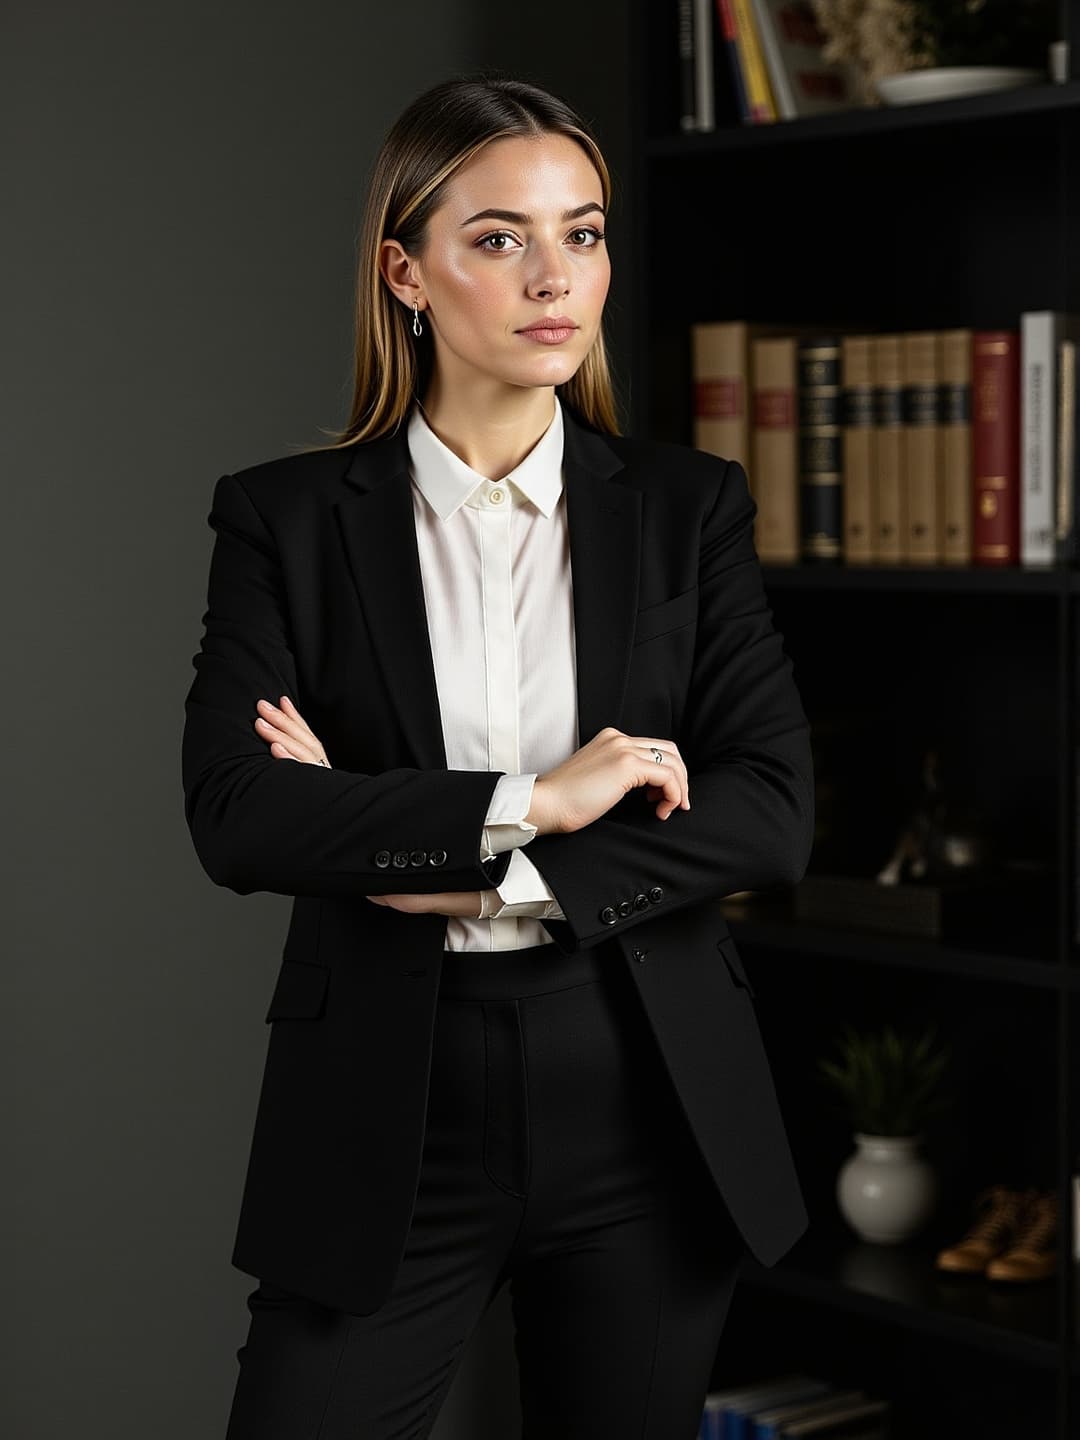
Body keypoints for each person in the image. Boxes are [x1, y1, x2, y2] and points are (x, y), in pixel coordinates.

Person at [182, 72, 815, 1440]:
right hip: (387, 1103)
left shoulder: (684, 512)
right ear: (405, 272)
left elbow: (768, 814)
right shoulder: (285, 523)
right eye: (499, 237)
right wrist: (541, 796)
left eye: (581, 233)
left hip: (642, 1090)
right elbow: (239, 817)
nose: (554, 278)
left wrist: (487, 875)